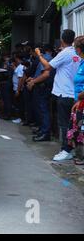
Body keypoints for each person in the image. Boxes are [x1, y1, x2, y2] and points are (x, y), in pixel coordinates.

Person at [34, 30, 80, 161]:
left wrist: (39, 55)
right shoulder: (77, 53)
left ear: (62, 40)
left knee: (64, 123)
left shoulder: (65, 53)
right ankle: (72, 149)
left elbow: (48, 66)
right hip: (74, 94)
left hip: (64, 94)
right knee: (73, 124)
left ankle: (66, 150)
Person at [63, 36, 84, 161]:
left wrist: (81, 97)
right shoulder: (81, 62)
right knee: (78, 130)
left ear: (79, 49)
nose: (74, 49)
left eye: (75, 47)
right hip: (80, 102)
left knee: (81, 130)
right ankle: (79, 155)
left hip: (82, 101)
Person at [27, 44, 54, 142]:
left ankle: (45, 132)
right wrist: (33, 79)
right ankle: (43, 130)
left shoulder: (45, 58)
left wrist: (33, 81)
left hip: (43, 87)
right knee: (41, 109)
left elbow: (45, 74)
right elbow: (41, 73)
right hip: (41, 86)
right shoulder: (44, 58)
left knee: (43, 110)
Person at [12, 54, 25, 124]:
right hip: (17, 88)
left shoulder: (20, 67)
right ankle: (20, 117)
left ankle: (20, 118)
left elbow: (20, 79)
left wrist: (18, 90)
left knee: (19, 104)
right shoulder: (19, 67)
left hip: (18, 88)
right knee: (18, 103)